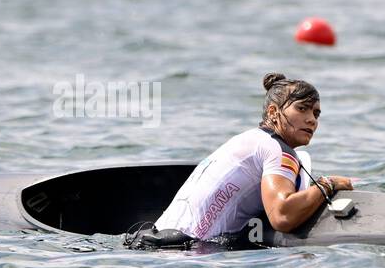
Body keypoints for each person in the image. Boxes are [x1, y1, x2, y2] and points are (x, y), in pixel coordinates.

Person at [128, 73, 353, 249]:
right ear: (274, 112)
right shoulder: (277, 150)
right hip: (186, 255)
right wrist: (327, 184)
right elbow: (283, 216)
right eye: (302, 109)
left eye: (316, 113)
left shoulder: (246, 140)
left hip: (151, 242)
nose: (311, 120)